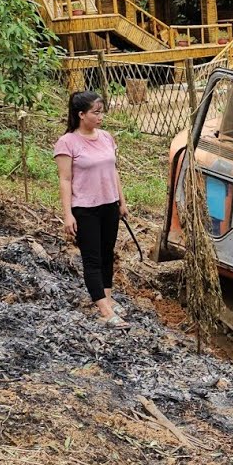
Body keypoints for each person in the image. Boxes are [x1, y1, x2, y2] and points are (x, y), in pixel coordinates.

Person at [54, 90, 130, 329]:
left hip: (109, 204)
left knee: (108, 254)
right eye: (95, 113)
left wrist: (121, 200)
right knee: (93, 258)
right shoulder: (67, 143)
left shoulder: (106, 137)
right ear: (81, 115)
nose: (100, 117)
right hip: (85, 208)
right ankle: (104, 310)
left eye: (101, 112)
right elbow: (65, 180)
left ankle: (107, 296)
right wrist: (68, 214)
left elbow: (114, 170)